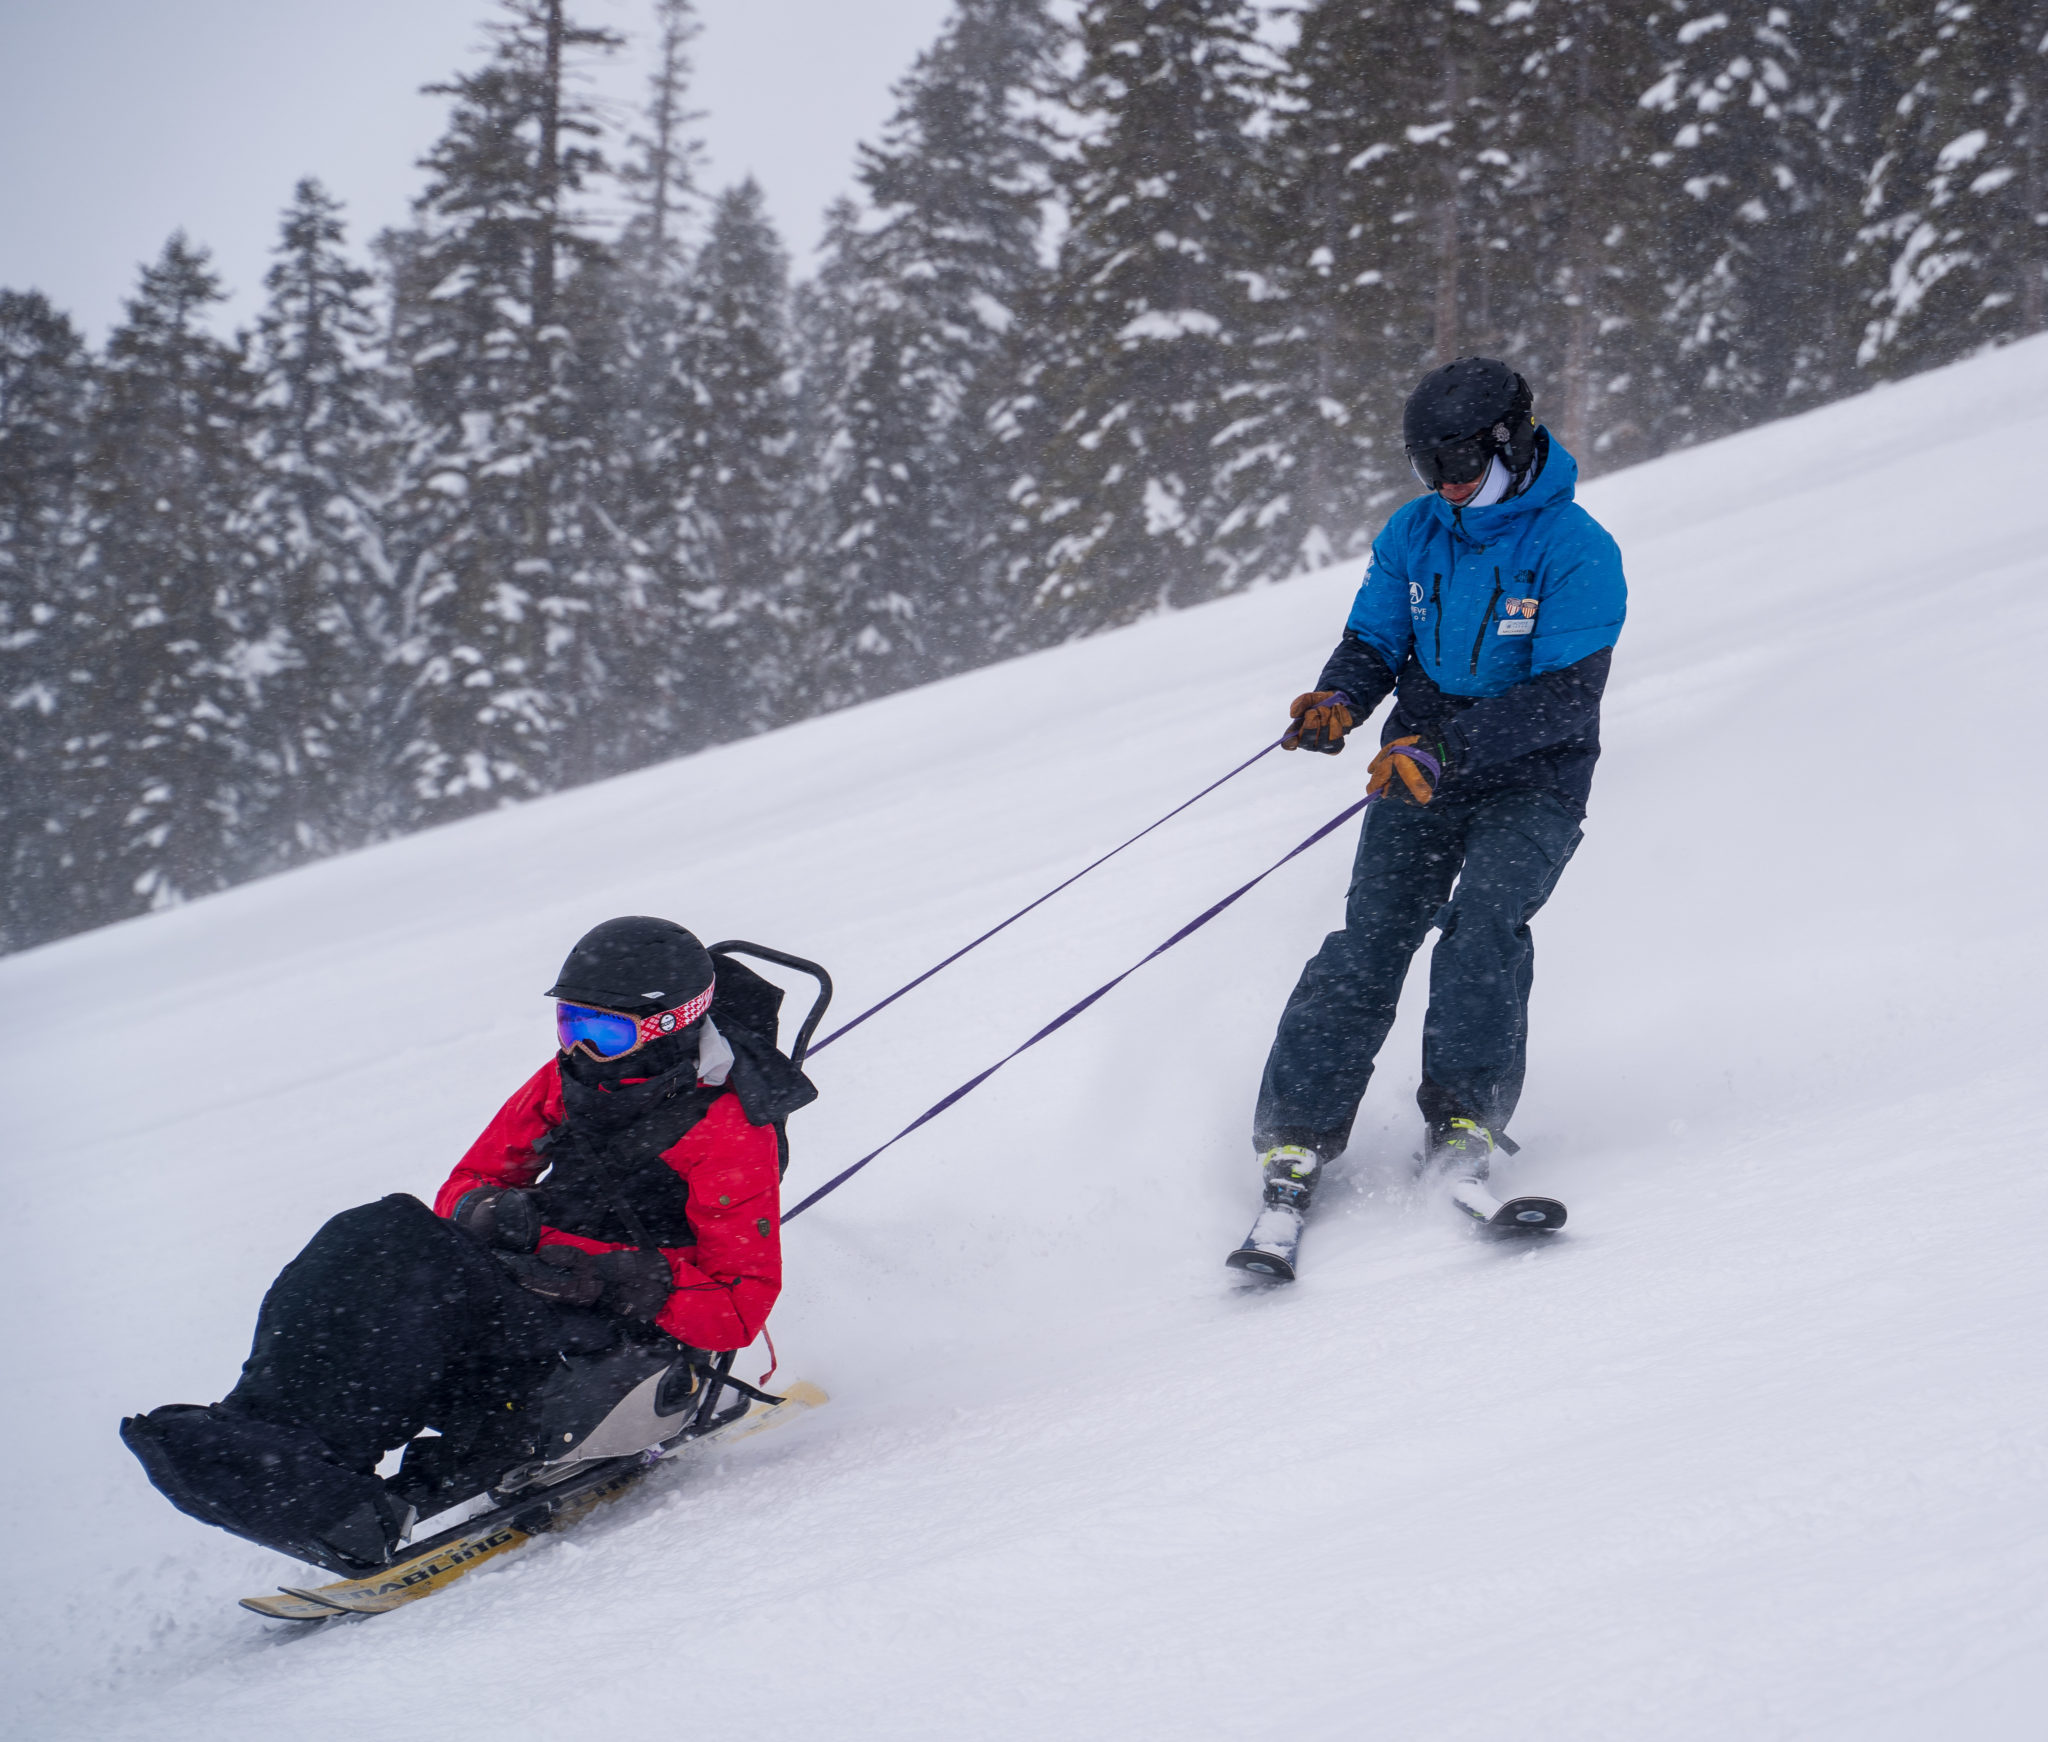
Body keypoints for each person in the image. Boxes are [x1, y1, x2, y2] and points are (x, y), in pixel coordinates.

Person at [122, 916, 815, 1574]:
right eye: (570, 1022)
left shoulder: (729, 1132)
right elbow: (466, 1183)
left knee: (406, 1253)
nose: (579, 1046)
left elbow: (738, 1307)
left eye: (603, 1030)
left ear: (668, 1028)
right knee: (376, 1231)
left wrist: (594, 1270)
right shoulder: (569, 1082)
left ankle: (321, 1491)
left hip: (617, 1318)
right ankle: (268, 1440)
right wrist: (495, 1212)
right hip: (532, 1283)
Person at [1250, 357, 1626, 1222]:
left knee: (1483, 926)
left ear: (1511, 442)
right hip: (1420, 767)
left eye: (1458, 466)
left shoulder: (1577, 550)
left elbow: (1564, 698)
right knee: (1369, 941)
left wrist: (1446, 749)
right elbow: (1376, 638)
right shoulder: (1415, 533)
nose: (1446, 487)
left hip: (1534, 777)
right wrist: (1339, 701)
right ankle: (1296, 1134)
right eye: (1429, 469)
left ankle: (1464, 1119)